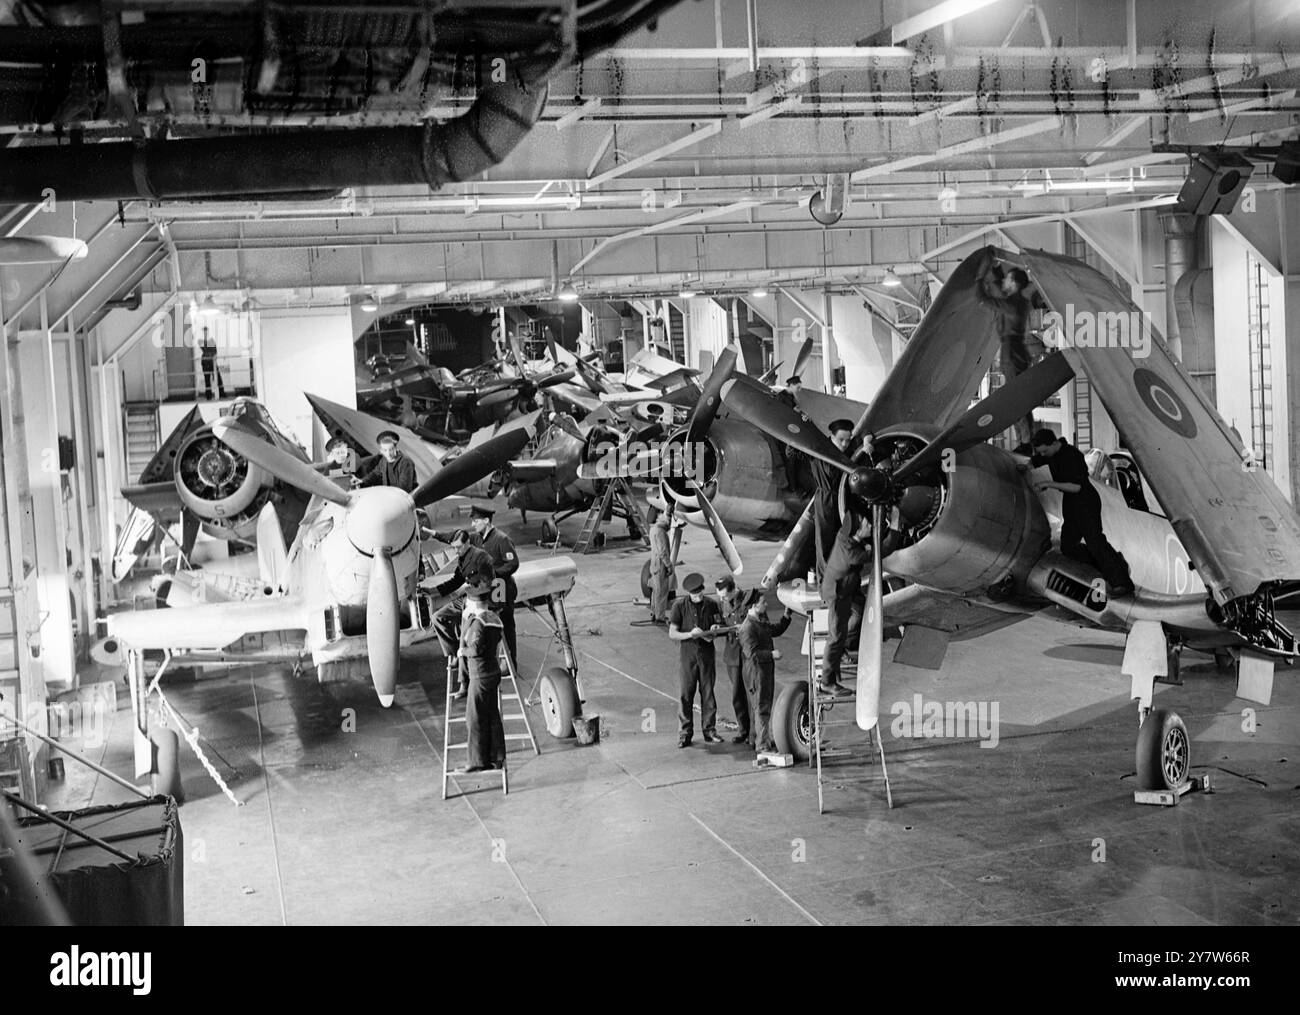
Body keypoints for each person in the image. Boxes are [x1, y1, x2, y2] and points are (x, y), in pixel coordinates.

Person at [1025, 428, 1134, 596]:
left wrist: (1048, 484)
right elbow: (1035, 461)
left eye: (1045, 451)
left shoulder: (1073, 456)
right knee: (1068, 546)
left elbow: (1076, 487)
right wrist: (1025, 467)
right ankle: (1107, 565)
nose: (1043, 455)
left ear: (1054, 444)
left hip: (1085, 501)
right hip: (1070, 502)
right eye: (1041, 452)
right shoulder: (1051, 453)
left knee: (1095, 542)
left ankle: (1122, 582)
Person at [980, 265, 1040, 449]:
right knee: (1018, 396)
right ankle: (1025, 439)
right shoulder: (1018, 302)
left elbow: (984, 300)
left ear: (1013, 283)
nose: (1004, 281)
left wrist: (977, 278)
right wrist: (996, 273)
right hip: (1015, 349)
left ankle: (1025, 441)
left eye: (1007, 278)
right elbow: (1001, 294)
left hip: (1011, 351)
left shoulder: (1012, 304)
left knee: (1016, 397)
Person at [433, 529, 496, 701]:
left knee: (464, 640)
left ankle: (464, 684)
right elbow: (455, 581)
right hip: (467, 599)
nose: (456, 551)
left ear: (468, 543)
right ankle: (452, 652)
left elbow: (489, 585)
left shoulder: (482, 558)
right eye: (454, 548)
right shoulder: (462, 558)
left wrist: (470, 593)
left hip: (480, 602)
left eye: (459, 547)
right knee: (438, 617)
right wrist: (434, 591)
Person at [451, 588, 507, 774]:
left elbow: (475, 649)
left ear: (473, 604)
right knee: (492, 715)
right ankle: (497, 757)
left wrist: (461, 652)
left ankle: (476, 762)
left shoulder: (478, 622)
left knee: (474, 718)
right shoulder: (495, 619)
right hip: (493, 672)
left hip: (479, 675)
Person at [668, 572, 725, 748]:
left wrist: (715, 629)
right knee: (686, 694)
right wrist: (690, 634)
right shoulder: (679, 607)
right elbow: (673, 633)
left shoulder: (712, 605)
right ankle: (685, 733)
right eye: (695, 595)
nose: (698, 597)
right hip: (688, 655)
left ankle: (709, 730)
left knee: (708, 693)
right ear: (689, 594)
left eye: (700, 594)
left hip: (707, 654)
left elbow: (720, 625)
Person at [737, 588, 793, 754]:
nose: (766, 604)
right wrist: (771, 654)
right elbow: (751, 654)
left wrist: (786, 616)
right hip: (756, 673)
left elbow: (773, 630)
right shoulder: (747, 628)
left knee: (763, 706)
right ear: (754, 605)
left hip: (765, 671)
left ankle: (761, 739)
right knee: (761, 707)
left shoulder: (760, 620)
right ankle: (762, 745)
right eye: (763, 602)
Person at [469, 505, 519, 668]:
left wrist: (493, 574)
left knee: (505, 625)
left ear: (486, 521)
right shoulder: (476, 538)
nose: (472, 524)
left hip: (502, 588)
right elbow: (458, 538)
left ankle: (510, 663)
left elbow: (513, 564)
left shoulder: (502, 539)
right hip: (486, 591)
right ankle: (491, 662)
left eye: (475, 521)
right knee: (486, 625)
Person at [715, 575, 750, 745]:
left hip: (748, 654)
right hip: (732, 656)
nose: (722, 599)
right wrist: (717, 628)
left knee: (752, 695)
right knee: (737, 696)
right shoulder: (723, 603)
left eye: (725, 596)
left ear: (733, 590)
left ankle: (756, 734)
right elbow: (723, 622)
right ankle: (743, 730)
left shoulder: (748, 600)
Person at [648, 510, 674, 624]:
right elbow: (663, 552)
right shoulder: (661, 532)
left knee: (655, 591)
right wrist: (669, 565)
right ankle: (660, 617)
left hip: (653, 564)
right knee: (662, 592)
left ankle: (654, 613)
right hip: (660, 566)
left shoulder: (653, 529)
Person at [199, 328, 225, 400]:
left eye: (206, 332)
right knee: (207, 379)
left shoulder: (211, 340)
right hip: (206, 362)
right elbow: (205, 348)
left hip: (212, 361)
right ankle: (208, 395)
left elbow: (214, 350)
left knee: (218, 378)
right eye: (204, 332)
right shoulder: (201, 341)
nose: (205, 333)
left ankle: (221, 393)